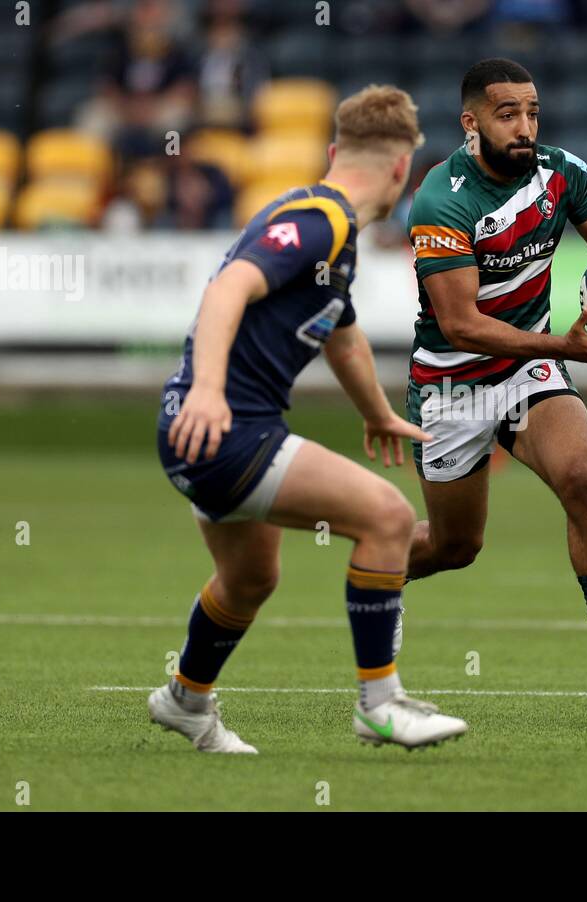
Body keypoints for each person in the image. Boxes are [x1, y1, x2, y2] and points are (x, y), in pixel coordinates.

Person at [149, 85, 468, 753]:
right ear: (401, 168)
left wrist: (377, 413)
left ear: (333, 152)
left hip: (199, 433)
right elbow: (228, 286)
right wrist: (210, 388)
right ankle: (380, 704)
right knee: (385, 517)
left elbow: (341, 334)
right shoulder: (321, 219)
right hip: (224, 427)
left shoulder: (334, 234)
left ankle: (186, 699)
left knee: (250, 579)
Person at [400, 58, 587, 712]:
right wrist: (572, 346)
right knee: (454, 546)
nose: (525, 126)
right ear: (471, 123)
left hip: (529, 368)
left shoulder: (560, 173)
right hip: (451, 386)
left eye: (532, 112)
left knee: (581, 480)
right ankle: (380, 569)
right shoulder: (442, 199)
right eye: (507, 113)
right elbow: (462, 326)